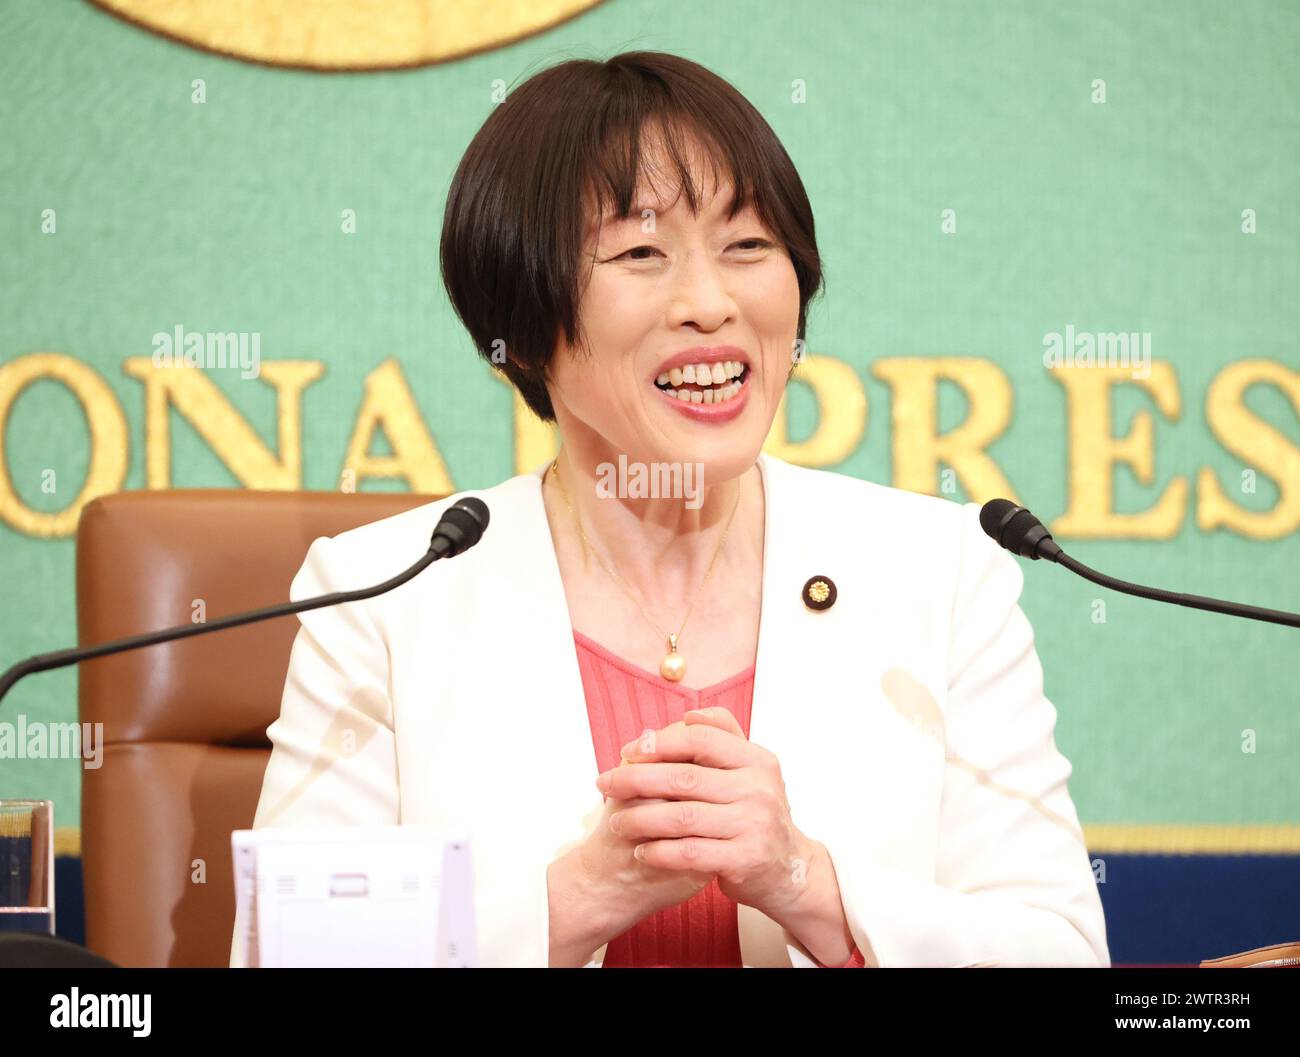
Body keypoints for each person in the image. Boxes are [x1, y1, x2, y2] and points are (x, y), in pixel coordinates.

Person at [231, 51, 1108, 968]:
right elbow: (286, 962)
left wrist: (806, 880)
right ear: (525, 322)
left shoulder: (941, 573)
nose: (710, 303)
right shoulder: (384, 599)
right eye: (641, 254)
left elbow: (1063, 954)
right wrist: (581, 895)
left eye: (748, 247)